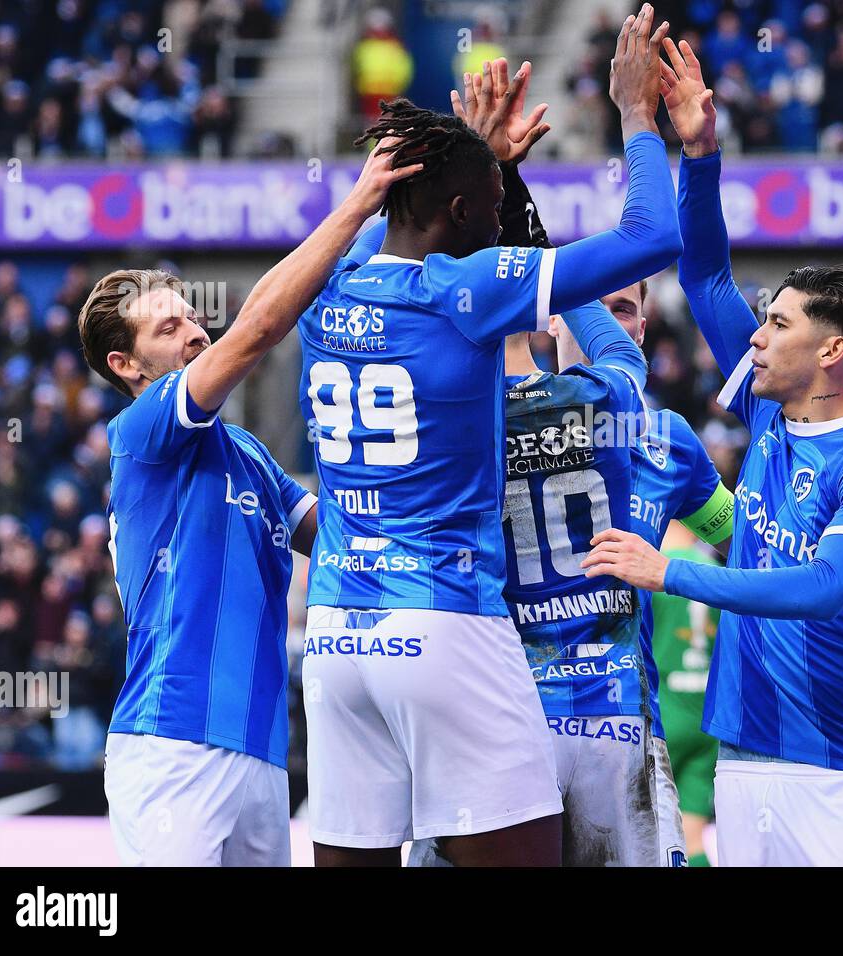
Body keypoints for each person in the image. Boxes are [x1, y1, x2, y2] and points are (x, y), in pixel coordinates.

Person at [296, 5, 684, 866]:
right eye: (496, 205)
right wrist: (634, 116)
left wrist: (471, 162)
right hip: (448, 624)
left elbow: (399, 221)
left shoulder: (325, 282)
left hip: (335, 636)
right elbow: (654, 235)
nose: (504, 219)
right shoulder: (467, 295)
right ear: (464, 209)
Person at [583, 36, 843, 866]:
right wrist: (699, 152)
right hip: (742, 759)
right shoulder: (771, 410)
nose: (755, 336)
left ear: (831, 352)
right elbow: (703, 276)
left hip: (838, 772)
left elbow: (823, 588)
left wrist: (670, 573)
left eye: (778, 324)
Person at [80, 141, 420, 865]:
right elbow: (259, 329)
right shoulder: (141, 435)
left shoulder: (251, 457)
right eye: (166, 329)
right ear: (126, 365)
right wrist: (362, 206)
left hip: (262, 752)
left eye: (191, 318)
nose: (195, 332)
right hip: (172, 744)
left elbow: (342, 531)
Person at [650, 520, 722, 866]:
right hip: (705, 715)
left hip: (666, 711)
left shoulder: (650, 574)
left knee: (648, 833)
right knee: (692, 836)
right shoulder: (714, 571)